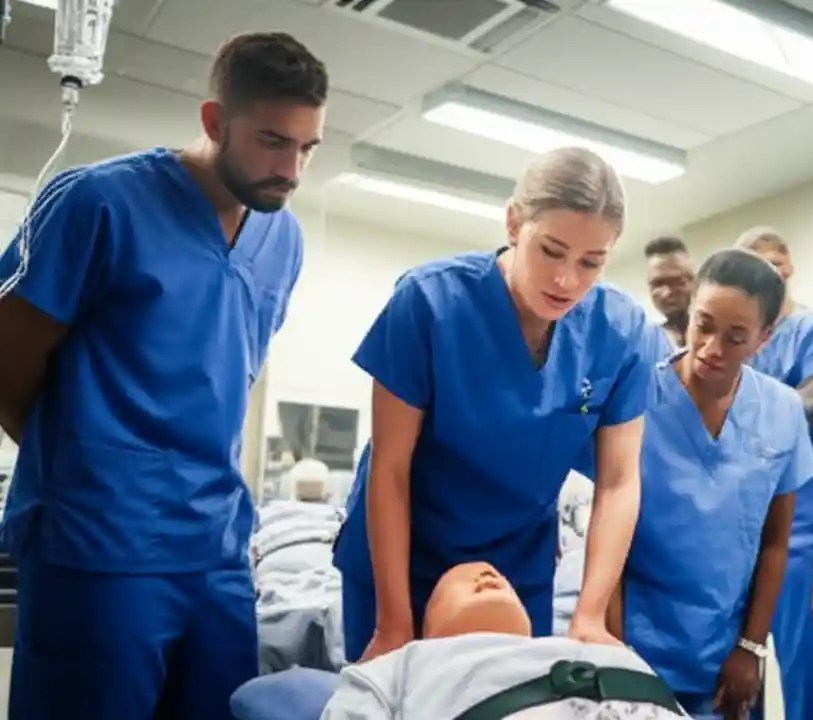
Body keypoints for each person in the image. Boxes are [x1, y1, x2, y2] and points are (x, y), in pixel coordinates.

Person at [0, 32, 327, 720]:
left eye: (307, 148)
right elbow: (7, 360)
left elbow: (228, 372)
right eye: (273, 141)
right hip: (99, 546)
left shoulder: (283, 239)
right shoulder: (97, 202)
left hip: (217, 548)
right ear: (215, 121)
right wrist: (87, 464)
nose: (291, 169)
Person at [331, 147, 652, 666]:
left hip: (515, 568)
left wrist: (590, 616)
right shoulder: (430, 302)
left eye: (591, 263)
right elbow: (390, 468)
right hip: (403, 553)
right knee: (398, 694)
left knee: (508, 695)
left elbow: (618, 481)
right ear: (514, 223)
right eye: (551, 251)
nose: (567, 280)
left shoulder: (621, 332)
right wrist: (393, 621)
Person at [612, 248, 813, 720]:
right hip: (635, 645)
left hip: (725, 657)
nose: (711, 348)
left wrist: (751, 646)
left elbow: (775, 542)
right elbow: (603, 527)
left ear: (764, 338)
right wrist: (614, 650)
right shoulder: (638, 395)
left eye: (735, 337)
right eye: (702, 325)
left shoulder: (782, 411)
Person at [229, 562, 690, 720]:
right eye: (461, 579)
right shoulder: (403, 666)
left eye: (499, 577)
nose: (488, 573)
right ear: (429, 627)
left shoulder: (605, 652)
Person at [734, 226, 813, 720]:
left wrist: (734, 417)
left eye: (775, 266)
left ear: (790, 266)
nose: (768, 277)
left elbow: (811, 405)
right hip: (739, 535)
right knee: (739, 678)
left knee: (804, 675)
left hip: (800, 532)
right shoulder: (742, 335)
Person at [644, 235, 695, 350]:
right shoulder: (648, 344)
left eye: (677, 282)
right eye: (657, 284)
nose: (666, 293)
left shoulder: (723, 331)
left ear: (694, 282)